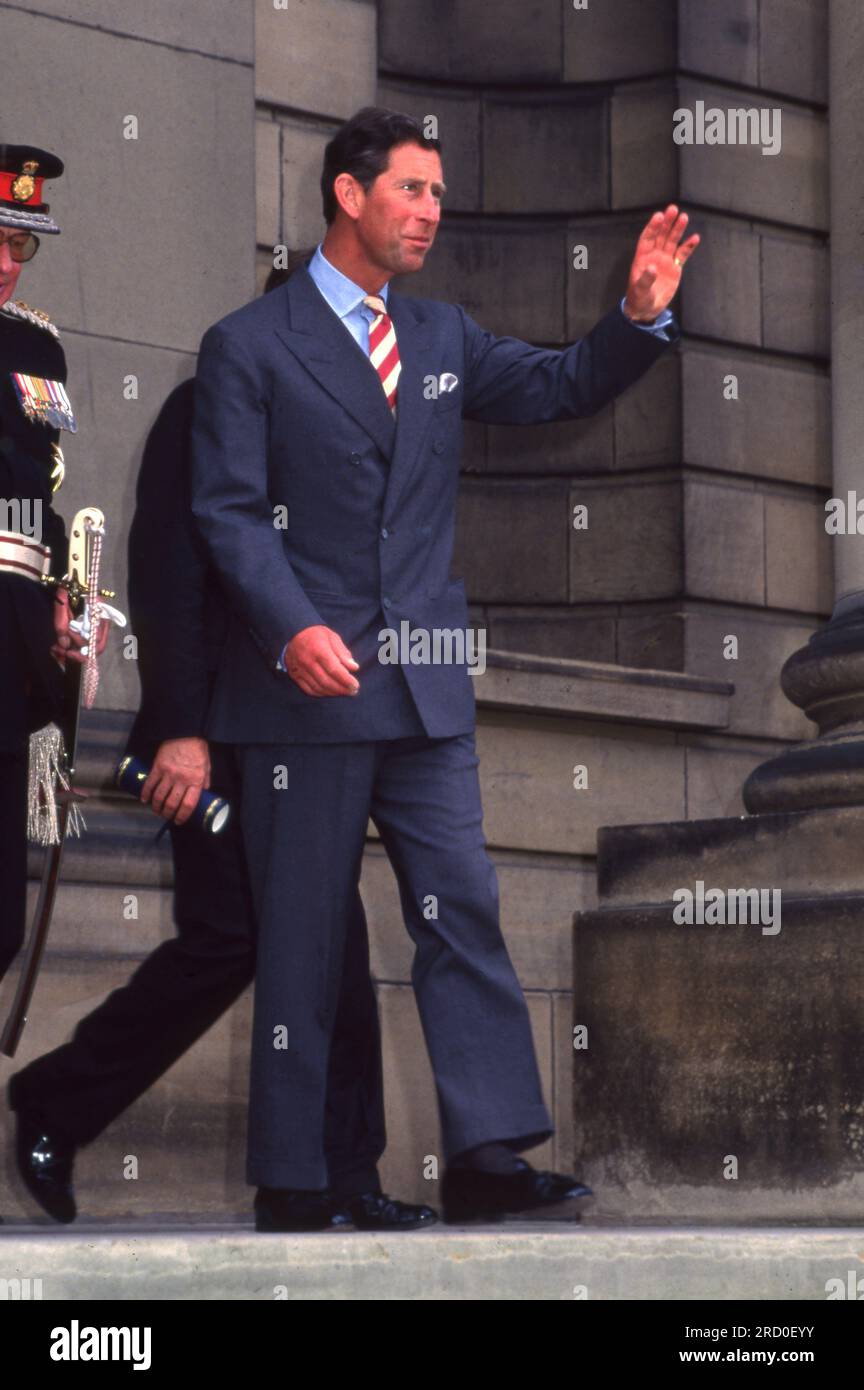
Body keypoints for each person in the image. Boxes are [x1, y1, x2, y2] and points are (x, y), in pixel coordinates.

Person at [190, 106, 699, 1229]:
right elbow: (227, 515)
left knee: (462, 903)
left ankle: (484, 1156)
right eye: (412, 189)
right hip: (301, 691)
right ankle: (302, 1180)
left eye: (435, 192)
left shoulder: (441, 338)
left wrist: (635, 317)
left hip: (423, 685)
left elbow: (561, 385)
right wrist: (287, 625)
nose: (432, 209)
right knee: (307, 939)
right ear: (349, 196)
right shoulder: (248, 345)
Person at [7, 259, 433, 1232]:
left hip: (303, 740)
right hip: (212, 741)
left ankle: (339, 1177)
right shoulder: (204, 410)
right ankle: (60, 1099)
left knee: (323, 934)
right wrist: (185, 734)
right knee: (233, 934)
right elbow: (165, 581)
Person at [0, 143, 104, 986]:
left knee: (1, 921)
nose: (8, 263)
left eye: (22, 244)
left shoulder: (39, 349)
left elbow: (42, 495)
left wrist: (66, 603)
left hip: (14, 650)